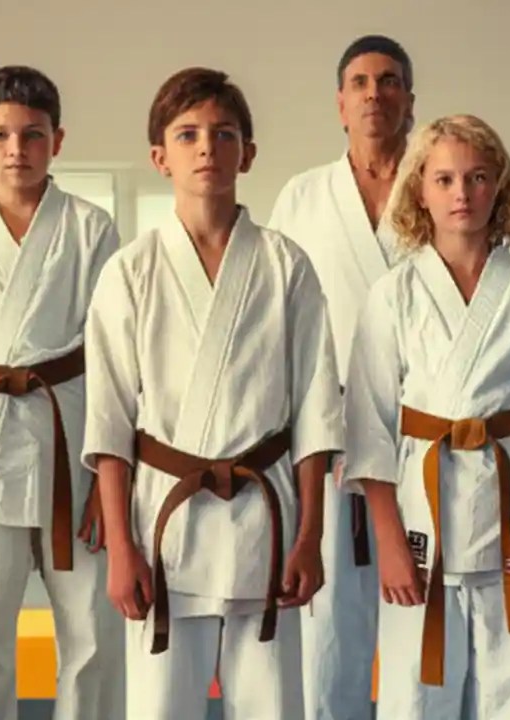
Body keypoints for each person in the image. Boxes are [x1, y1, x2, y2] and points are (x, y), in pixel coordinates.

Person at [82, 67, 342, 719]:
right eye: (188, 134)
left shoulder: (286, 265)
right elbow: (109, 422)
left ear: (247, 154)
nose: (207, 148)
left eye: (224, 134)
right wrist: (120, 548)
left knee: (273, 708)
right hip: (165, 529)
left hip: (266, 521)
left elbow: (316, 414)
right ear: (159, 157)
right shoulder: (129, 270)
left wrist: (309, 536)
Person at [342, 113, 510, 719]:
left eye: (478, 177)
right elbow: (369, 423)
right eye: (445, 179)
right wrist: (388, 540)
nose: (462, 192)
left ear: (499, 186)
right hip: (420, 523)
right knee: (413, 695)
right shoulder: (393, 294)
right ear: (420, 191)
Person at [0, 65, 124, 720]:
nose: (17, 150)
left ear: (57, 140)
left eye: (33, 135)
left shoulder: (91, 227)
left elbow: (115, 361)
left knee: (93, 636)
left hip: (72, 447)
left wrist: (110, 482)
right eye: (0, 135)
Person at [267, 35, 414, 717]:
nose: (374, 94)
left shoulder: (440, 186)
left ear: (409, 99)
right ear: (340, 103)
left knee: (422, 615)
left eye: (389, 81)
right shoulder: (303, 196)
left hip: (423, 431)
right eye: (360, 82)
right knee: (329, 627)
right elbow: (275, 323)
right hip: (329, 429)